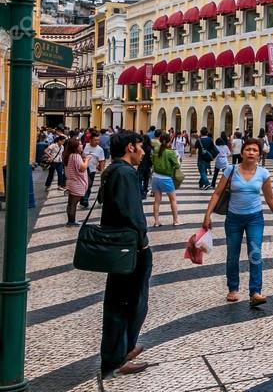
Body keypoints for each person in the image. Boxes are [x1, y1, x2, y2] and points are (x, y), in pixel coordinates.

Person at [202, 138, 273, 306]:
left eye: (255, 150)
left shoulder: (263, 173)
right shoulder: (230, 171)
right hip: (233, 219)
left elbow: (270, 198)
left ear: (259, 155)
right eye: (248, 149)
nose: (251, 152)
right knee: (233, 255)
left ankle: (255, 291)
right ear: (242, 153)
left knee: (255, 253)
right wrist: (207, 215)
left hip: (255, 218)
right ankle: (233, 288)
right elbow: (217, 193)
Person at [99, 131, 152, 379]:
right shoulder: (125, 172)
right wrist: (142, 241)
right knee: (126, 303)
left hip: (119, 246)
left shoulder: (112, 170)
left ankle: (122, 349)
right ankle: (118, 357)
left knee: (121, 302)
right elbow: (132, 213)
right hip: (130, 247)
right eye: (140, 147)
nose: (143, 152)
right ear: (130, 147)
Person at [150, 133, 181, 227]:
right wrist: (178, 159)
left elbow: (152, 160)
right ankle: (175, 220)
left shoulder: (155, 150)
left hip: (155, 177)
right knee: (173, 200)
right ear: (169, 141)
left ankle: (156, 221)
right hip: (166, 178)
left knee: (157, 201)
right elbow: (177, 165)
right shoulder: (170, 152)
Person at [62, 137, 87, 226]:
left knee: (70, 204)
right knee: (73, 204)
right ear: (75, 147)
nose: (81, 145)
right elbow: (82, 168)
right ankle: (71, 221)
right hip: (77, 183)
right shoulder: (76, 156)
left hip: (71, 182)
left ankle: (70, 220)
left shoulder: (68, 155)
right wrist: (87, 160)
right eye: (79, 144)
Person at [81, 131, 107, 208]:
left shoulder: (100, 149)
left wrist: (102, 170)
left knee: (89, 184)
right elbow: (80, 155)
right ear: (90, 140)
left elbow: (101, 160)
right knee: (84, 184)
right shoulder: (85, 146)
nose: (97, 142)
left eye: (98, 140)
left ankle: (85, 199)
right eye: (95, 140)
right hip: (83, 169)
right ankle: (83, 199)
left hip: (92, 170)